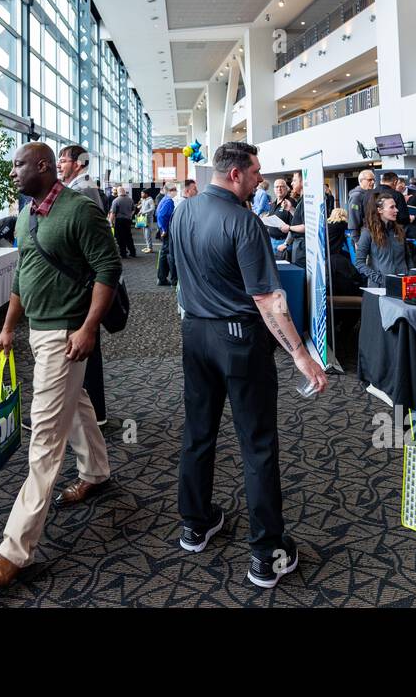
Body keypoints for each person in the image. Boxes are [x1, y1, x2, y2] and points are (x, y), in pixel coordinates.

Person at [171, 141, 328, 588]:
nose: (262, 178)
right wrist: (300, 353)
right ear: (236, 174)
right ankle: (267, 552)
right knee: (257, 443)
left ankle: (195, 524)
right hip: (237, 340)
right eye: (257, 171)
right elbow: (268, 299)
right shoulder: (244, 221)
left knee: (198, 431)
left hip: (194, 334)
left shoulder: (184, 211)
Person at [0, 143, 120, 590]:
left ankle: (14, 551)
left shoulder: (79, 210)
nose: (11, 172)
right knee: (78, 404)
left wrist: (89, 327)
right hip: (38, 330)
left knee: (45, 436)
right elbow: (24, 274)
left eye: (17, 165)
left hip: (66, 333)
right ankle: (95, 471)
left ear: (44, 166)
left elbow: (108, 268)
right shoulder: (28, 213)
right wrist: (9, 326)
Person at [57, 143, 112, 425]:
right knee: (85, 347)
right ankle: (92, 413)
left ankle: (91, 414)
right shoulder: (84, 186)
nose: (59, 165)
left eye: (63, 160)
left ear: (78, 163)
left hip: (83, 281)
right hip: (85, 279)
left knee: (84, 343)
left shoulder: (81, 191)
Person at [354, 189, 413, 288]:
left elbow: (408, 257)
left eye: (395, 207)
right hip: (379, 287)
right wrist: (379, 279)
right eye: (392, 207)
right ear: (380, 210)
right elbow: (359, 263)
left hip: (402, 284)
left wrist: (411, 276)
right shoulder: (368, 232)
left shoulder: (399, 230)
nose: (396, 210)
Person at [58, 144, 105, 211]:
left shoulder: (78, 190)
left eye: (62, 161)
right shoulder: (86, 184)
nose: (58, 165)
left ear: (77, 165)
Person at [276, 171, 306, 265]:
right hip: (298, 245)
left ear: (302, 182)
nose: (292, 183)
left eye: (294, 180)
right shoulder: (301, 200)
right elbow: (299, 219)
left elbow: (306, 226)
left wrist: (289, 228)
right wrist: (290, 209)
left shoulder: (306, 201)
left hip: (301, 245)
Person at [156, 184, 178, 287]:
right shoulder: (168, 201)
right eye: (175, 190)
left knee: (165, 253)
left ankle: (162, 278)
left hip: (165, 229)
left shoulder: (164, 200)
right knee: (167, 253)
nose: (176, 192)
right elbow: (161, 215)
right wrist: (164, 229)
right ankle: (163, 278)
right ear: (171, 190)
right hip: (167, 230)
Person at [346, 169, 377, 236]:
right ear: (361, 181)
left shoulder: (371, 194)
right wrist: (356, 239)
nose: (372, 182)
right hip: (362, 235)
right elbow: (353, 218)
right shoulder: (356, 196)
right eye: (369, 180)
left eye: (373, 180)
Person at [108, 185, 137, 259]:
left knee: (120, 238)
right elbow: (133, 210)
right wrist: (130, 215)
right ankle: (133, 252)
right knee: (128, 236)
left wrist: (110, 222)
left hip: (119, 221)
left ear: (118, 192)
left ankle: (123, 253)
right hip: (128, 220)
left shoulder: (116, 200)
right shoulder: (130, 200)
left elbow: (113, 213)